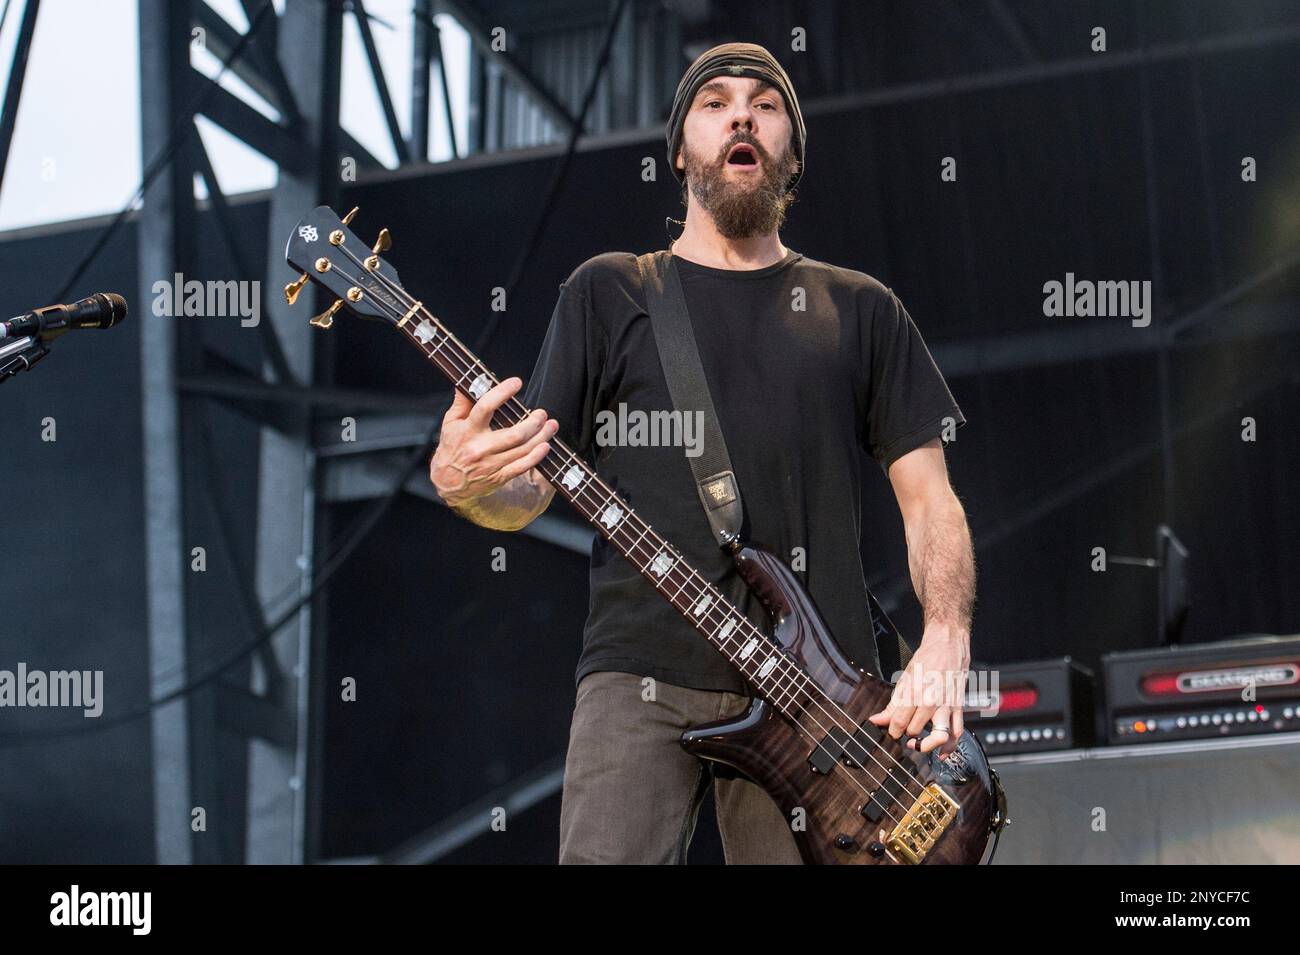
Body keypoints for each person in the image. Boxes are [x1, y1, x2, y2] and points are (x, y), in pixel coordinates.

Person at [429, 42, 975, 864]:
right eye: (715, 102)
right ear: (682, 149)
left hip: (817, 704)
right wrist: (462, 482)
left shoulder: (861, 309)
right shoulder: (608, 292)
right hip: (639, 670)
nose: (742, 114)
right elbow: (529, 488)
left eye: (765, 102)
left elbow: (930, 497)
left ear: (790, 148)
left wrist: (943, 636)